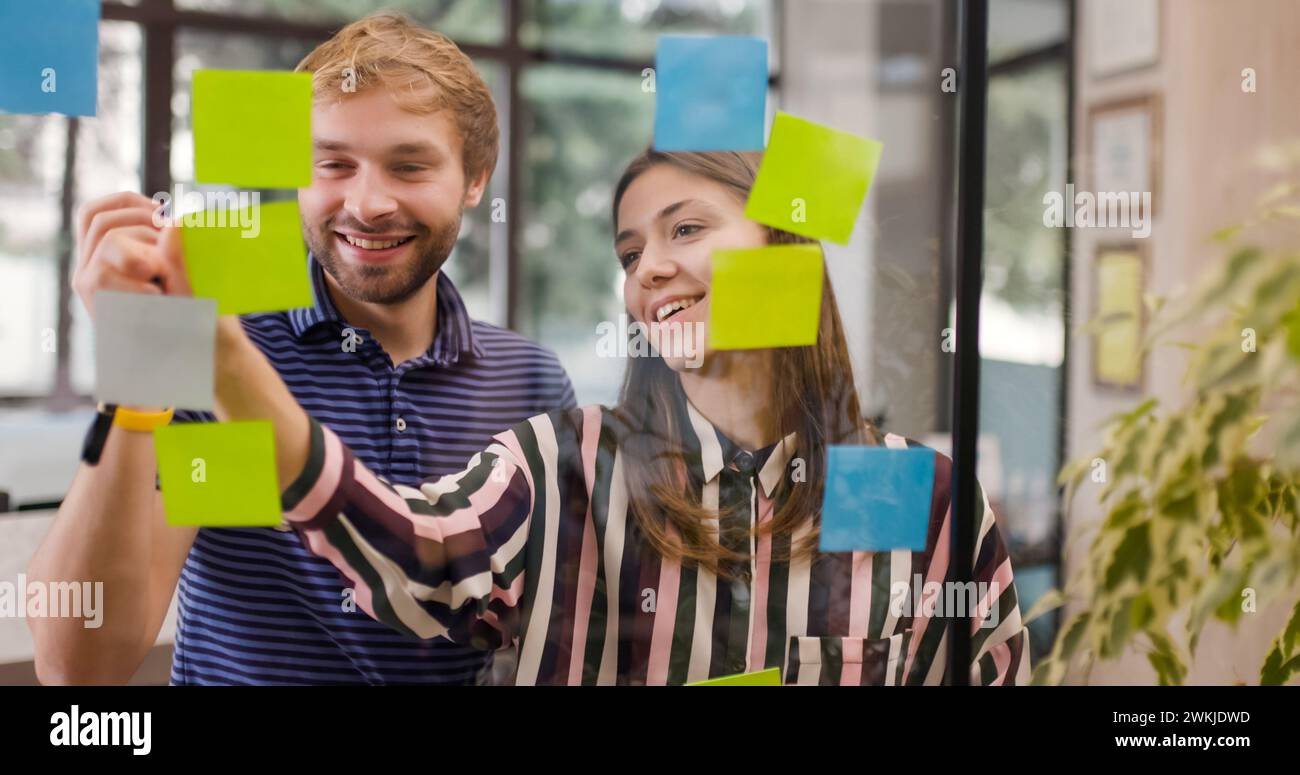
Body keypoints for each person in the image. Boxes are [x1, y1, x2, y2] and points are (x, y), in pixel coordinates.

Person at [198, 148, 1031, 685]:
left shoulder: (917, 496)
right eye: (630, 253)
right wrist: (233, 367)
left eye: (688, 229)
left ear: (787, 251)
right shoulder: (560, 464)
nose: (650, 270)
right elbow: (419, 561)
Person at [26, 12, 575, 685]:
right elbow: (80, 668)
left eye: (409, 165)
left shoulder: (529, 380)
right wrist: (141, 367)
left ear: (474, 179)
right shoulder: (225, 355)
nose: (368, 203)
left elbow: (547, 632)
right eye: (333, 164)